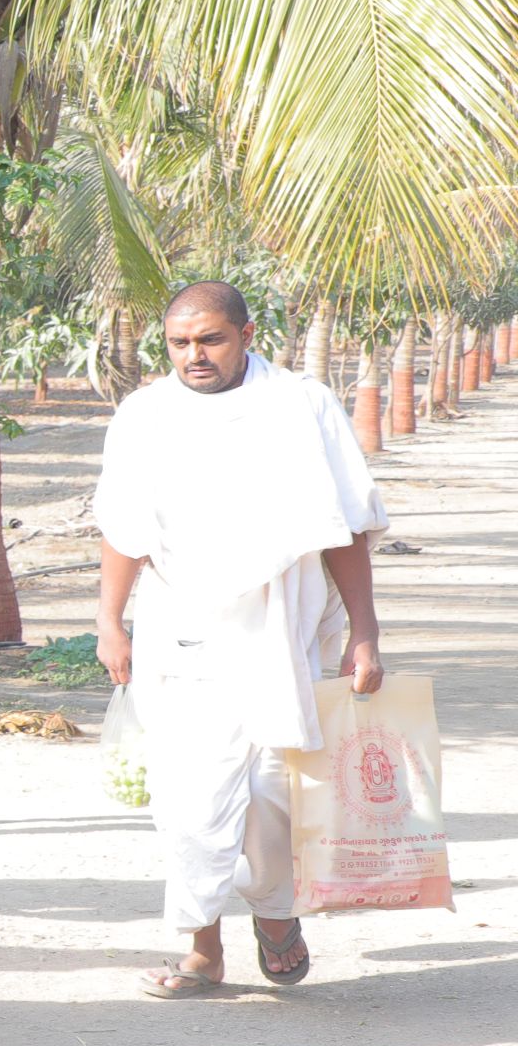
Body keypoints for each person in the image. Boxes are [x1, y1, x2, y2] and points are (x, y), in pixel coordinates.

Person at [96, 283, 384, 997]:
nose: (195, 355)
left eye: (211, 340)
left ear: (247, 334)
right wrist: (110, 621)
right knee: (187, 796)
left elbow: (345, 522)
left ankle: (277, 917)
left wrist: (365, 632)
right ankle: (201, 948)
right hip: (180, 628)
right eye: (180, 343)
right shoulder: (145, 415)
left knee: (273, 789)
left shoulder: (301, 404)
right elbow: (123, 527)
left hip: (285, 627)